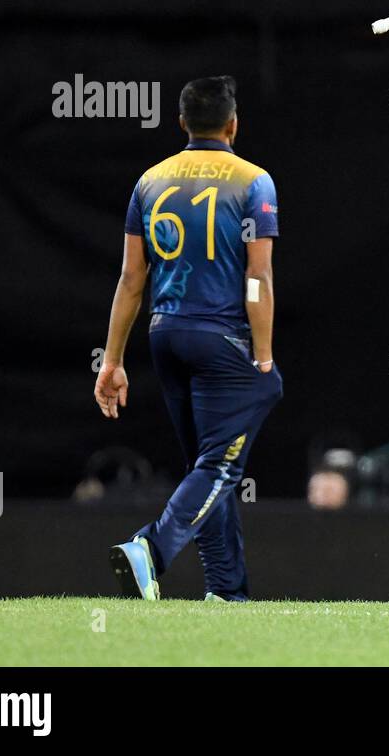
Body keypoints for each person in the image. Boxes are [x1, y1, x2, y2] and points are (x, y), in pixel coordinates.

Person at [93, 76, 282, 601]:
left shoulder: (150, 181)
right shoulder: (253, 181)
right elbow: (257, 276)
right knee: (235, 442)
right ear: (233, 124)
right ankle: (149, 550)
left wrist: (112, 360)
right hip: (219, 337)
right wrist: (262, 356)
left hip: (164, 334)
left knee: (206, 465)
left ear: (181, 124)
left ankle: (226, 590)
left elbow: (132, 279)